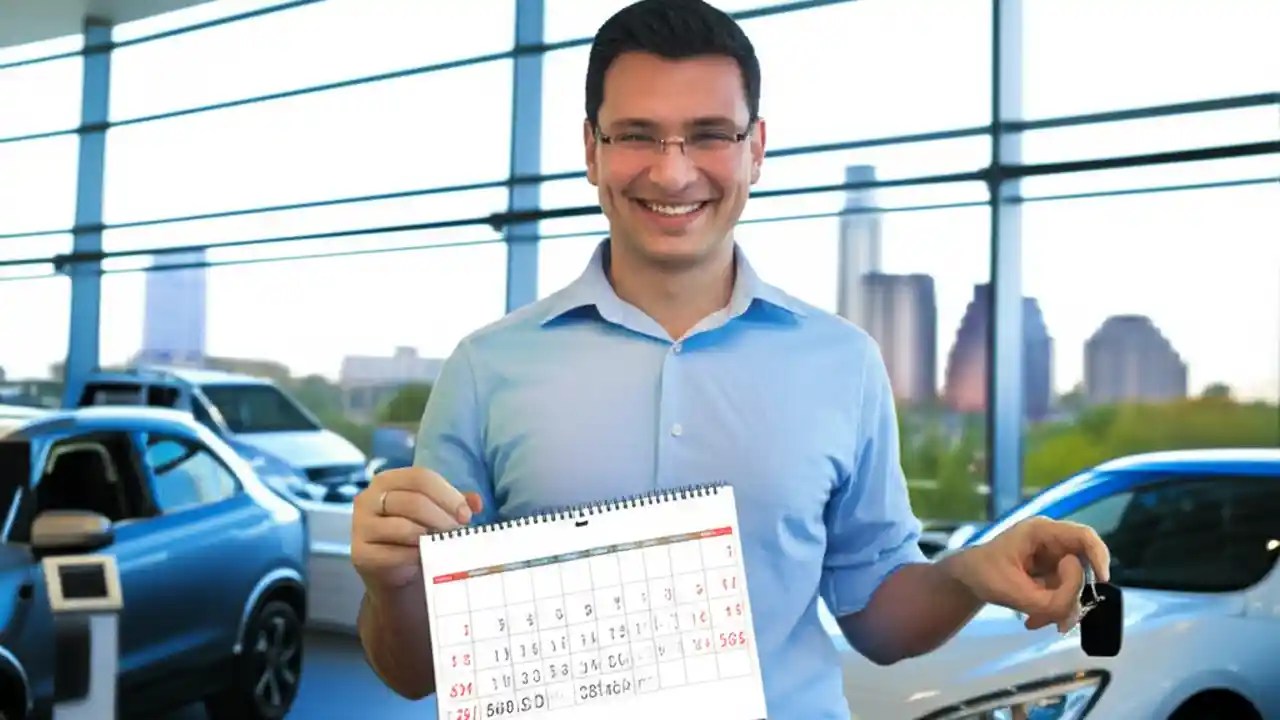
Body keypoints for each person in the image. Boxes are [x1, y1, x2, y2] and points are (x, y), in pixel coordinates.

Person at [351, 1, 1111, 717]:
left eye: (709, 134)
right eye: (638, 134)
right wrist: (392, 587)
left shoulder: (842, 363)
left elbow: (878, 621)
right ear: (592, 148)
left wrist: (968, 572)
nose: (673, 172)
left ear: (756, 148)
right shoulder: (487, 369)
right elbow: (418, 671)